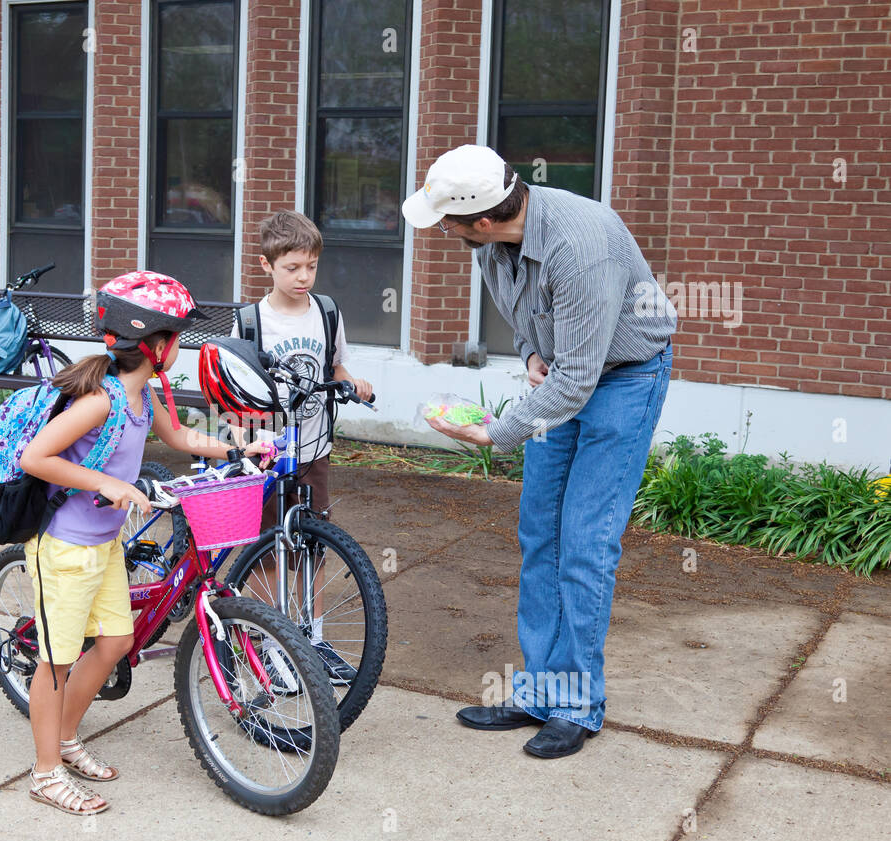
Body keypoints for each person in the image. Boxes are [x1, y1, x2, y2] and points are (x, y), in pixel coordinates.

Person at [402, 144, 677, 759]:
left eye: (447, 220)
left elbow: (579, 379)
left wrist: (497, 434)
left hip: (624, 382)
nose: (442, 230)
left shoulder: (580, 243)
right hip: (559, 377)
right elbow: (528, 320)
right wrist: (530, 355)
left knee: (585, 542)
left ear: (481, 217)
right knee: (541, 534)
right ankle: (539, 690)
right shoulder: (492, 246)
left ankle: (577, 703)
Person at [18, 270, 270, 815]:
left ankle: (64, 740)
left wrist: (238, 452)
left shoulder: (143, 395)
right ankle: (45, 774)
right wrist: (106, 482)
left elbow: (179, 438)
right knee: (55, 662)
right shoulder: (99, 402)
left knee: (113, 644)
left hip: (104, 547)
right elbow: (35, 458)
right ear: (157, 345)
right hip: (65, 550)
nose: (182, 345)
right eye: (179, 336)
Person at [228, 210, 372, 682]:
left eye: (310, 265)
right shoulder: (251, 322)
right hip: (268, 457)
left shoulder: (327, 312)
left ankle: (313, 639)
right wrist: (241, 440)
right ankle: (268, 638)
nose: (303, 276)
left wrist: (355, 384)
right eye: (292, 267)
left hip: (313, 452)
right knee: (269, 549)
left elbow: (338, 367)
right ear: (267, 265)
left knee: (312, 546)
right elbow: (230, 388)